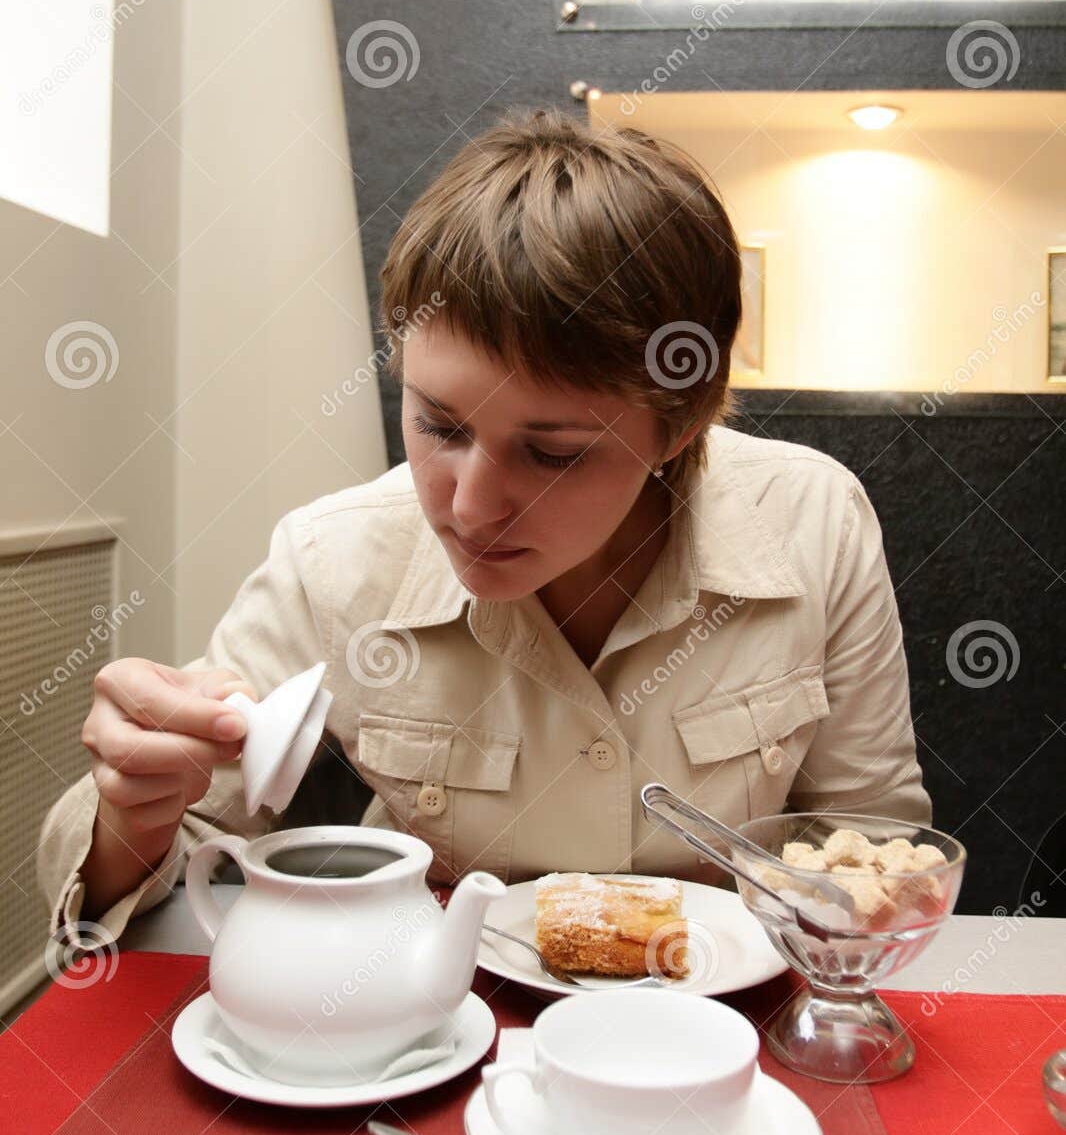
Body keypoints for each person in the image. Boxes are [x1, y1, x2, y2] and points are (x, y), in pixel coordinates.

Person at [37, 106, 932, 951]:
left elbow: (866, 846)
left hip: (723, 1030)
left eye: (555, 455)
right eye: (439, 425)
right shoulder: (334, 559)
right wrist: (133, 804)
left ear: (681, 425)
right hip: (430, 1026)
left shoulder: (814, 524)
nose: (466, 508)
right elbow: (142, 866)